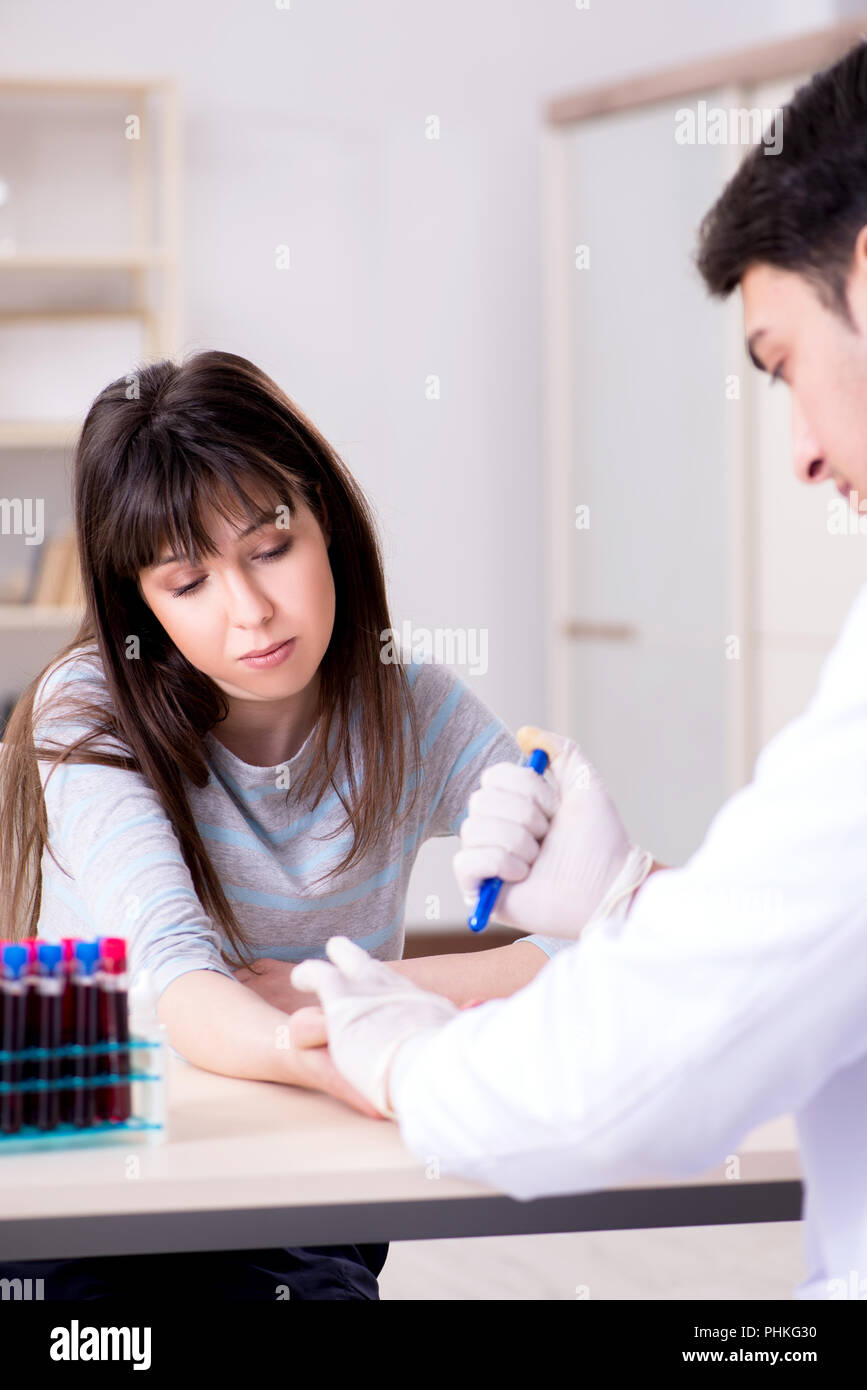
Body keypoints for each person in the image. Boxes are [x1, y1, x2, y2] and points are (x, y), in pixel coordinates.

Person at [284, 40, 867, 1301]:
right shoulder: (80, 713)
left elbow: (629, 1083)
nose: (804, 457)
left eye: (780, 364)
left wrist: (405, 1059)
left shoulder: (410, 703)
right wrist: (626, 904)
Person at [0, 349, 570, 1300]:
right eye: (187, 585)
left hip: (304, 1198)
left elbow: (623, 934)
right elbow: (180, 973)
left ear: (325, 522)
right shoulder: (87, 709)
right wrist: (330, 1044)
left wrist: (360, 990)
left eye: (270, 549)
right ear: (136, 603)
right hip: (94, 1179)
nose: (252, 611)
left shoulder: (415, 712)